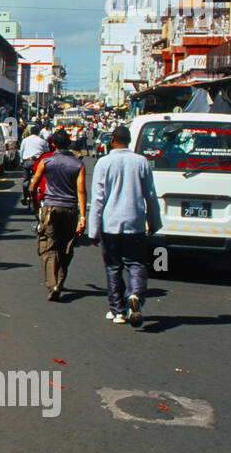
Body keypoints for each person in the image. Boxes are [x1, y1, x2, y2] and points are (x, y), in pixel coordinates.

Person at [87, 126, 162, 327]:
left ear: (112, 140)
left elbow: (98, 199)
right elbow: (151, 195)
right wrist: (154, 222)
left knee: (113, 267)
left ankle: (118, 310)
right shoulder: (141, 162)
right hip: (135, 223)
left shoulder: (103, 163)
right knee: (136, 263)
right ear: (129, 141)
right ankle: (135, 294)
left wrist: (92, 230)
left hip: (110, 224)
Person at [29, 130, 86, 301]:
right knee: (66, 247)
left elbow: (33, 186)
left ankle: (52, 283)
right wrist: (83, 217)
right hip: (70, 209)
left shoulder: (47, 161)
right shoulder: (78, 164)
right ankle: (60, 282)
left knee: (48, 245)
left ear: (53, 144)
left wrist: (34, 203)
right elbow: (81, 191)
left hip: (50, 208)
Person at [19, 126, 49, 208]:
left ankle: (25, 197)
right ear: (38, 132)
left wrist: (21, 161)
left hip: (26, 162)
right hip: (37, 163)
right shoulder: (42, 141)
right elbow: (46, 153)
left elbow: (21, 151)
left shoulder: (25, 140)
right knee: (40, 179)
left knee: (26, 180)